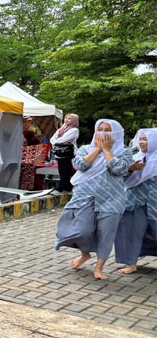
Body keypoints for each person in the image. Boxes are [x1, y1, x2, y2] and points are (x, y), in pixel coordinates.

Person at [54, 119, 132, 280]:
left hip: (112, 200)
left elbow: (120, 169)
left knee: (106, 234)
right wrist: (97, 149)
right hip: (85, 197)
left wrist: (108, 151)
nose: (103, 133)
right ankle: (85, 254)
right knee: (81, 230)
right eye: (100, 129)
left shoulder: (124, 152)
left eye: (107, 130)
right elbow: (79, 165)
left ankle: (99, 267)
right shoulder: (85, 148)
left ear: (116, 133)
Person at [114, 128, 157, 274]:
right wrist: (132, 168)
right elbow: (121, 176)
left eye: (146, 139)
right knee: (132, 232)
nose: (142, 142)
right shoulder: (136, 157)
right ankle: (130, 263)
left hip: (154, 203)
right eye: (141, 139)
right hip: (135, 202)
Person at [50, 114, 80, 194]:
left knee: (65, 170)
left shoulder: (74, 130)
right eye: (66, 118)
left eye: (69, 119)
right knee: (61, 170)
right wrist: (57, 142)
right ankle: (67, 187)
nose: (66, 120)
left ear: (74, 120)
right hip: (59, 152)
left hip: (68, 153)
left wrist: (57, 141)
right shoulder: (61, 129)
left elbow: (63, 139)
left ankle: (60, 188)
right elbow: (52, 139)